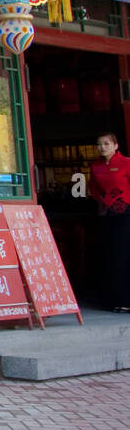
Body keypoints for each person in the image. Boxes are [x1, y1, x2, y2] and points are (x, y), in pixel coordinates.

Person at [89, 131, 130, 311]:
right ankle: (113, 301)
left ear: (116, 146)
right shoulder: (96, 166)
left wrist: (123, 204)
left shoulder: (126, 163)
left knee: (125, 256)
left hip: (126, 214)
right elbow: (93, 189)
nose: (102, 147)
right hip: (106, 215)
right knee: (109, 256)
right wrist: (103, 202)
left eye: (106, 143)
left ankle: (127, 302)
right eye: (99, 144)